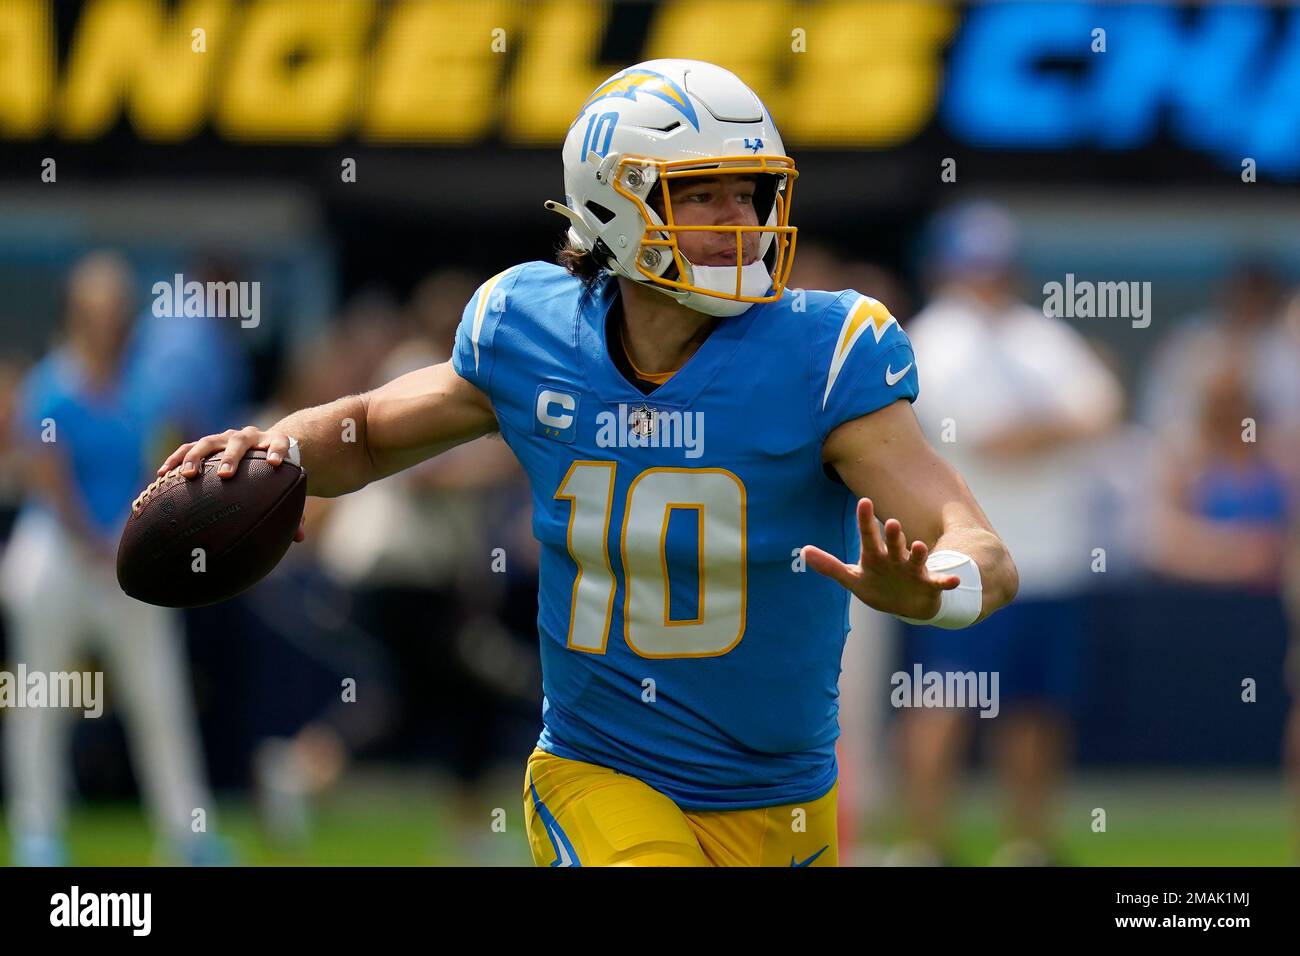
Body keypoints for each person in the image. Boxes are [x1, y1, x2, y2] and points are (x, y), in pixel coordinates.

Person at [156, 60, 1018, 867]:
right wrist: (277, 448)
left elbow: (979, 546)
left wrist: (936, 589)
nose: (741, 223)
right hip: (601, 770)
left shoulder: (824, 355)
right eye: (702, 196)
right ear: (616, 202)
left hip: (784, 798)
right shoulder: (531, 331)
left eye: (750, 194)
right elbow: (372, 431)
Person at [899, 202, 1123, 865]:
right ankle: (925, 843)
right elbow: (995, 438)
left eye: (995, 267)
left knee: (1036, 707)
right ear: (945, 269)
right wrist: (1055, 426)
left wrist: (1043, 428)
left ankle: (1028, 842)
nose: (987, 281)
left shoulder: (1038, 335)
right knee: (944, 699)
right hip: (963, 556)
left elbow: (1103, 406)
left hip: (1048, 559)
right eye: (974, 267)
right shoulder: (932, 338)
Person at [2, 251, 225, 865]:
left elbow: (160, 464)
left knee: (160, 695)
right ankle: (37, 836)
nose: (109, 323)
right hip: (58, 554)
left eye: (117, 312)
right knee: (41, 697)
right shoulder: (51, 386)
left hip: (127, 554)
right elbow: (47, 473)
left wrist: (130, 536)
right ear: (76, 315)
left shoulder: (146, 389)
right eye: (97, 312)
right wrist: (92, 540)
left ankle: (188, 834)